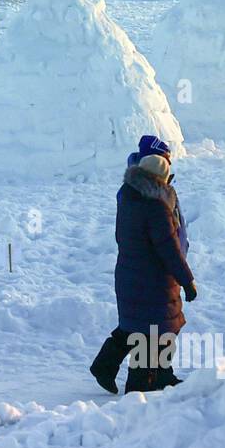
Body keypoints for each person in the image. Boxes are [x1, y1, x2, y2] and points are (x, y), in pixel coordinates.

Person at [90, 153, 196, 394]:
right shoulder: (156, 206)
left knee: (137, 327)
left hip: (130, 274)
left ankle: (107, 367)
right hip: (152, 280)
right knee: (153, 334)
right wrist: (187, 281)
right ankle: (138, 389)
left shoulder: (128, 196)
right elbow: (169, 249)